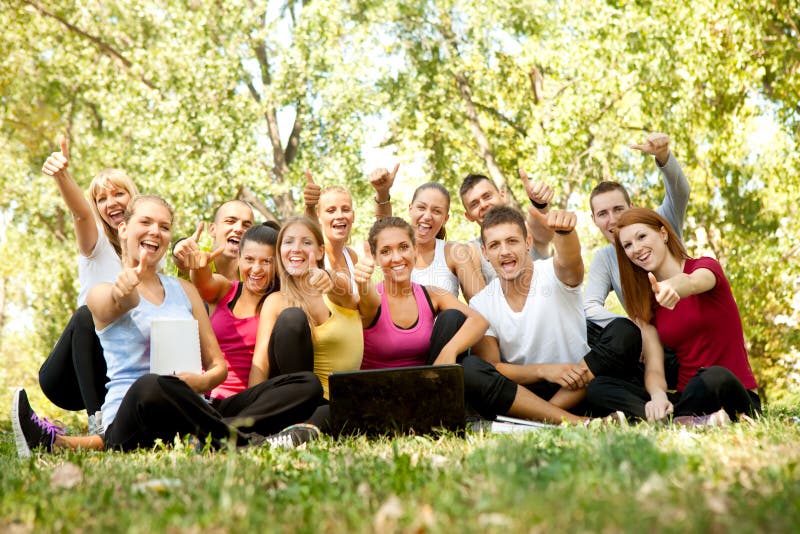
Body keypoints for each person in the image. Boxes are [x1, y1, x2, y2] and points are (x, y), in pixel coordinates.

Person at [12, 196, 323, 457]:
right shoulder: (102, 291)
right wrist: (125, 288)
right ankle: (241, 441)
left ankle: (215, 436)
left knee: (305, 384)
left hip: (196, 407)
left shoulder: (184, 291)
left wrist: (198, 384)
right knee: (152, 384)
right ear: (123, 229)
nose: (155, 232)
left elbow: (219, 367)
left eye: (164, 227)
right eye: (145, 223)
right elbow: (118, 301)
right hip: (136, 411)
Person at [468, 206, 642, 423]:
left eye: (512, 241)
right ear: (485, 253)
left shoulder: (552, 271)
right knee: (471, 369)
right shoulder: (481, 302)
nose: (504, 251)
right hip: (527, 393)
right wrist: (544, 370)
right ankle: (578, 422)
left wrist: (564, 233)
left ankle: (540, 418)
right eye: (494, 245)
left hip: (582, 381)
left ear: (528, 243)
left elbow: (570, 262)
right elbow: (492, 366)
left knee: (625, 331)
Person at [585, 208, 760, 423]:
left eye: (641, 236)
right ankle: (685, 421)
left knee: (715, 375)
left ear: (663, 234)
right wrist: (658, 397)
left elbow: (693, 282)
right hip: (686, 397)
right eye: (628, 245)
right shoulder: (645, 302)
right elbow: (655, 367)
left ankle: (672, 422)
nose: (637, 248)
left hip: (730, 391)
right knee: (598, 387)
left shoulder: (705, 267)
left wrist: (672, 287)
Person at [37, 135, 141, 434]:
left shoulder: (146, 253)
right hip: (70, 374)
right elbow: (80, 212)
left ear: (132, 198)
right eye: (102, 198)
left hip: (116, 367)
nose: (111, 203)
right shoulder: (95, 242)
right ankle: (97, 421)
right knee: (87, 313)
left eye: (118, 194)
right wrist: (63, 176)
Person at [250, 217, 365, 406]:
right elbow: (261, 364)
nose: (296, 248)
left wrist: (328, 276)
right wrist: (253, 406)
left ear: (321, 251)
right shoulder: (276, 301)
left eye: (306, 242)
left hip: (335, 403)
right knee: (292, 317)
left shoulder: (337, 290)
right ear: (280, 252)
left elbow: (341, 283)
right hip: (297, 399)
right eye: (288, 242)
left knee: (331, 414)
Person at [584, 132, 690, 330]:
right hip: (656, 345)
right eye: (602, 214)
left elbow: (680, 192)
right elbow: (589, 306)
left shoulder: (659, 222)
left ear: (631, 207)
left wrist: (663, 155)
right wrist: (635, 329)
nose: (613, 220)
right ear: (594, 220)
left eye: (618, 209)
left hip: (695, 321)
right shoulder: (606, 258)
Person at [356, 217, 488, 370]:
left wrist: (450, 350)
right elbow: (367, 300)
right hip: (379, 389)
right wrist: (362, 283)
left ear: (415, 250)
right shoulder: (372, 299)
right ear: (375, 258)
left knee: (453, 317)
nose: (397, 258)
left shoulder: (432, 294)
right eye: (386, 251)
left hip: (426, 386)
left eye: (404, 247)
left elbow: (480, 320)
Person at [189, 224, 280, 399]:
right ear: (238, 258)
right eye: (249, 259)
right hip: (204, 397)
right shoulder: (226, 289)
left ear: (277, 265)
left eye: (266, 261)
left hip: (242, 401)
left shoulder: (277, 302)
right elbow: (204, 283)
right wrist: (198, 264)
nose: (256, 269)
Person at [369, 168, 484, 301]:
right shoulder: (396, 249)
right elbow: (384, 227)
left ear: (445, 219)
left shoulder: (454, 252)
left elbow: (481, 306)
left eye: (436, 211)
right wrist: (382, 192)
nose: (427, 216)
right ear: (410, 209)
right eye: (421, 208)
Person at [458, 170, 555, 283]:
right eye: (474, 204)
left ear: (502, 196)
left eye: (487, 196)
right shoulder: (470, 253)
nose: (483, 205)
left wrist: (539, 204)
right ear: (468, 216)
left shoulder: (527, 231)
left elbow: (541, 231)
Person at [302, 171, 359, 293]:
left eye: (345, 209)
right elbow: (306, 233)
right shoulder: (313, 255)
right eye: (331, 210)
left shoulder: (352, 256)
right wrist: (309, 207)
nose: (339, 215)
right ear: (319, 217)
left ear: (353, 216)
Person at [172, 200, 255, 282]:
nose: (239, 229)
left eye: (246, 225)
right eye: (230, 221)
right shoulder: (199, 258)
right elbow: (183, 263)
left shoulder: (252, 274)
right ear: (212, 230)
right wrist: (180, 249)